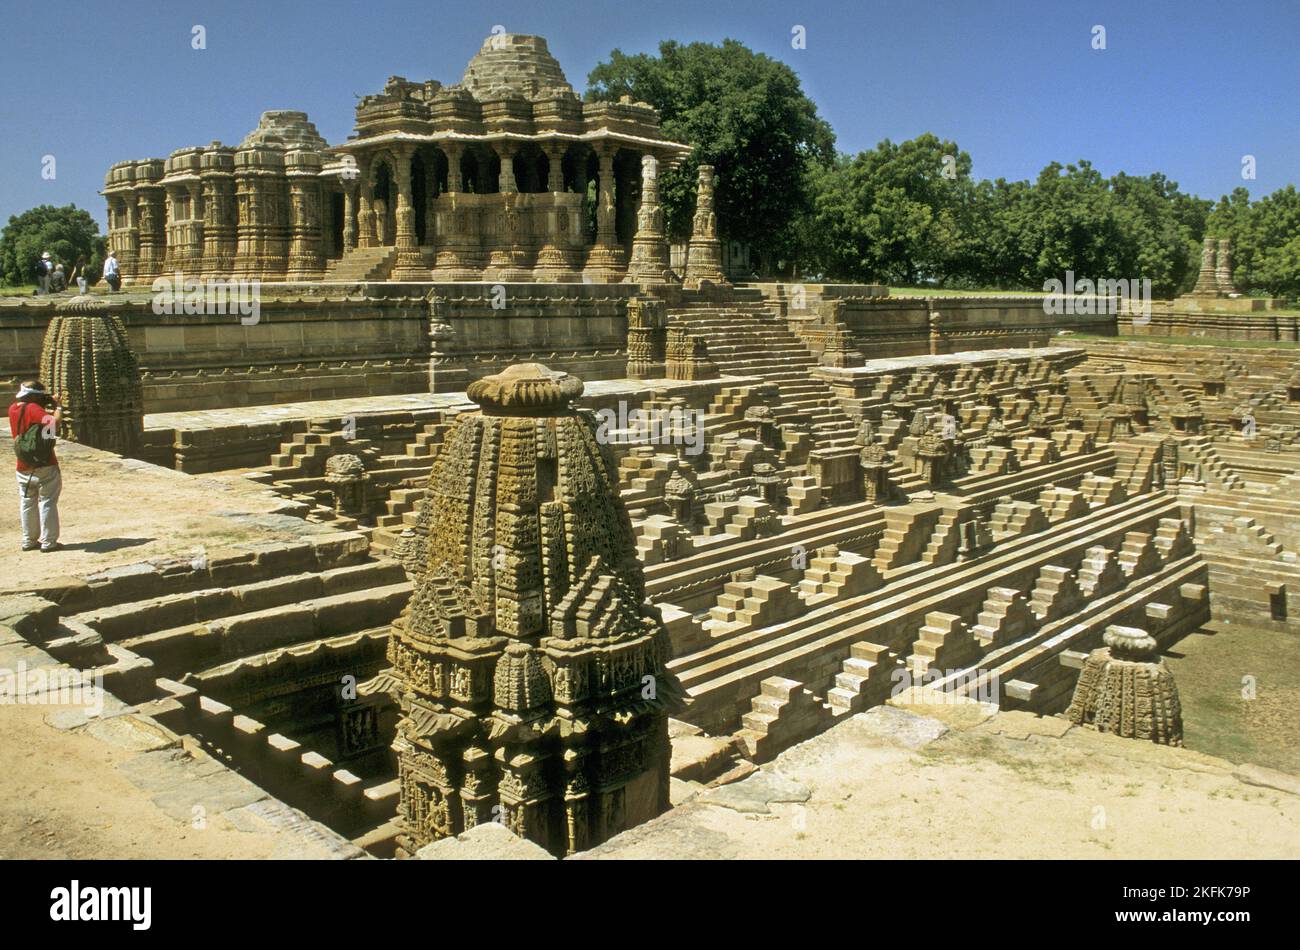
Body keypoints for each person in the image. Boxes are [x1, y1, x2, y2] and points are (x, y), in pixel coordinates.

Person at [9, 381, 62, 552]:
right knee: (47, 502)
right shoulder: (33, 408)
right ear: (33, 397)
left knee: (27, 502)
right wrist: (58, 407)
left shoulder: (12, 409)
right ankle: (49, 542)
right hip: (44, 464)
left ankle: (29, 541)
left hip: (23, 464)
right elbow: (53, 422)